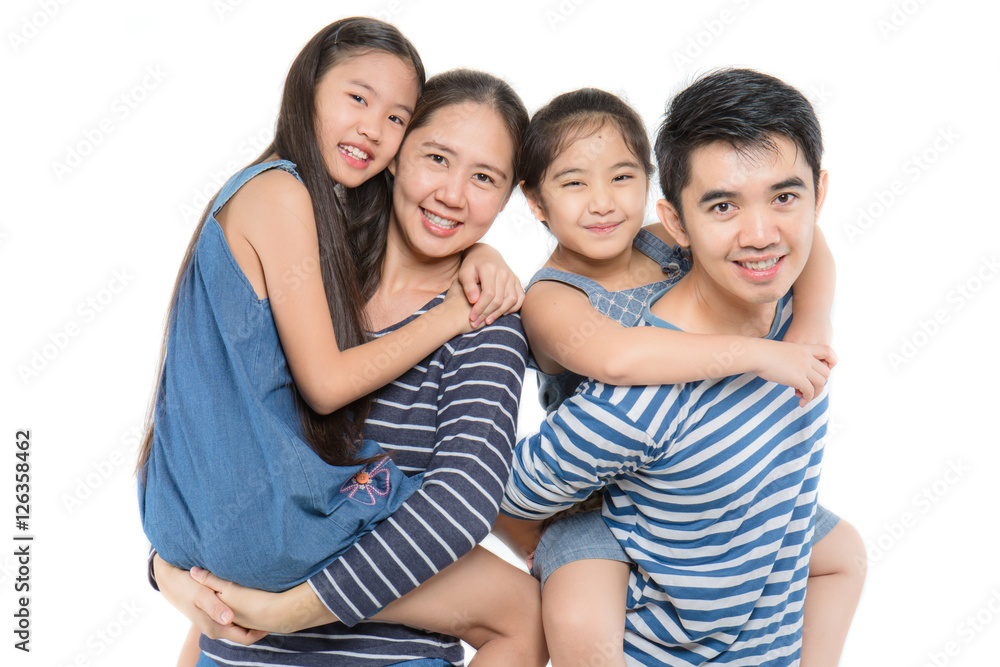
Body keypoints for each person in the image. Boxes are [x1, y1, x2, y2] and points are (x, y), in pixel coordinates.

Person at [152, 67, 548, 667]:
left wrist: (295, 604)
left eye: (485, 178)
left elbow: (461, 503)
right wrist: (167, 570)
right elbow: (216, 439)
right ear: (392, 155)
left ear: (508, 195)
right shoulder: (304, 279)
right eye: (436, 158)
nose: (453, 194)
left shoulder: (484, 327)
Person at [500, 69, 865, 665]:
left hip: (703, 513)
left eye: (621, 178)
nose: (602, 203)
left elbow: (810, 241)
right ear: (535, 200)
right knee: (577, 614)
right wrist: (755, 355)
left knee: (843, 551)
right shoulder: (553, 300)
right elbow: (617, 360)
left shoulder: (686, 250)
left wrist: (811, 324)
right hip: (589, 505)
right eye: (722, 204)